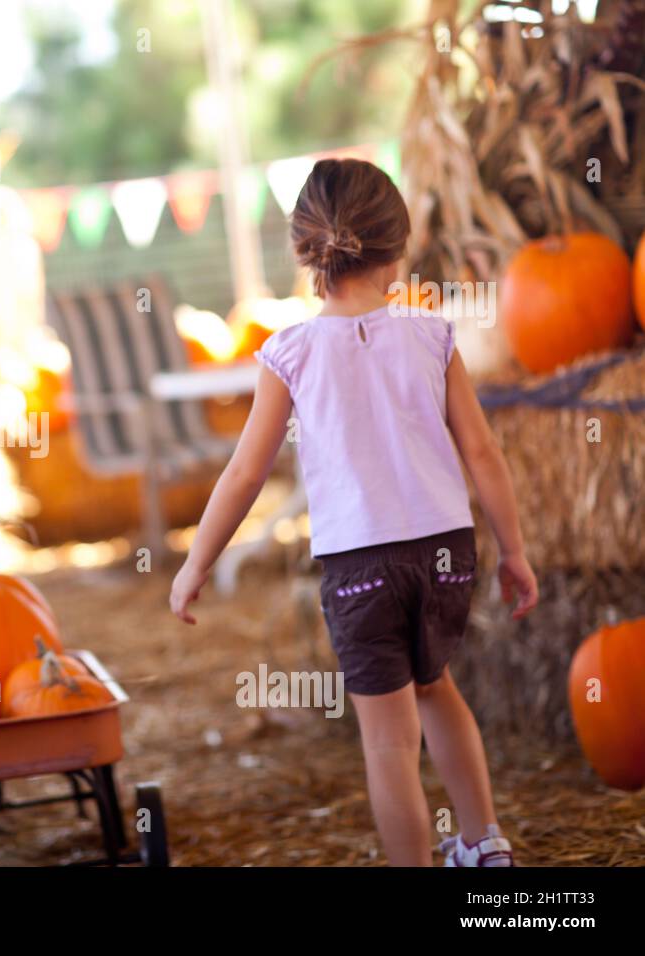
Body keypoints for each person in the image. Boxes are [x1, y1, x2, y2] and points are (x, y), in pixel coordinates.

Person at [169, 159, 539, 867]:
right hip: (444, 557)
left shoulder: (289, 354)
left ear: (307, 252)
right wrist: (514, 550)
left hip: (360, 569)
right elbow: (485, 454)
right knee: (439, 692)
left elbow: (245, 472)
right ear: (397, 251)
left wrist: (195, 563)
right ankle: (484, 845)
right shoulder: (433, 337)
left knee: (389, 741)